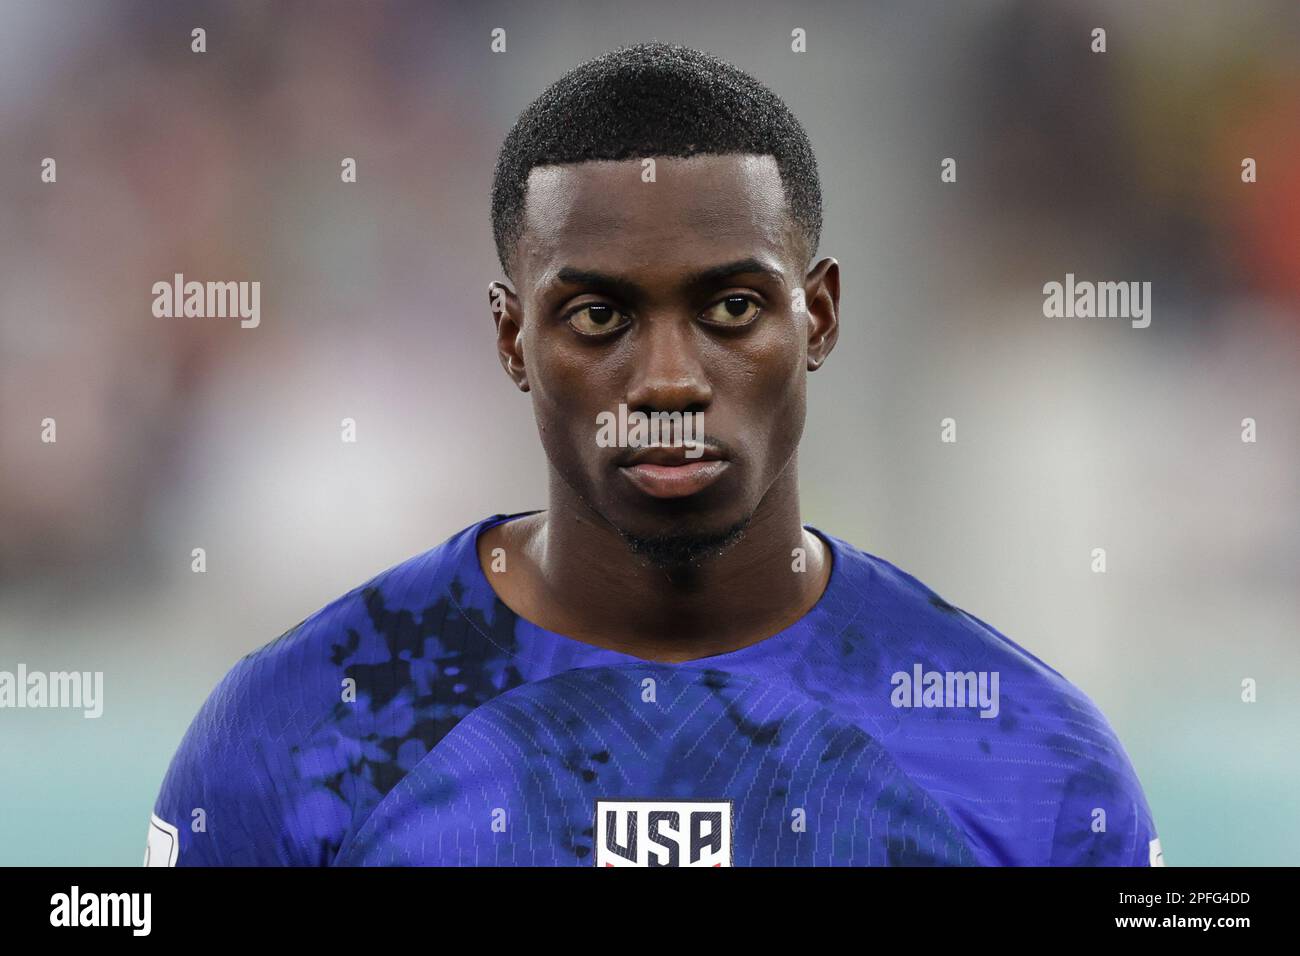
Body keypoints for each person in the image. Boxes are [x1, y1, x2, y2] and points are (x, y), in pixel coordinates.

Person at [148, 41, 1160, 867]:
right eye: (598, 314)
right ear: (512, 340)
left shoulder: (1032, 760)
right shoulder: (296, 734)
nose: (667, 378)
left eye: (730, 307)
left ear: (818, 316)